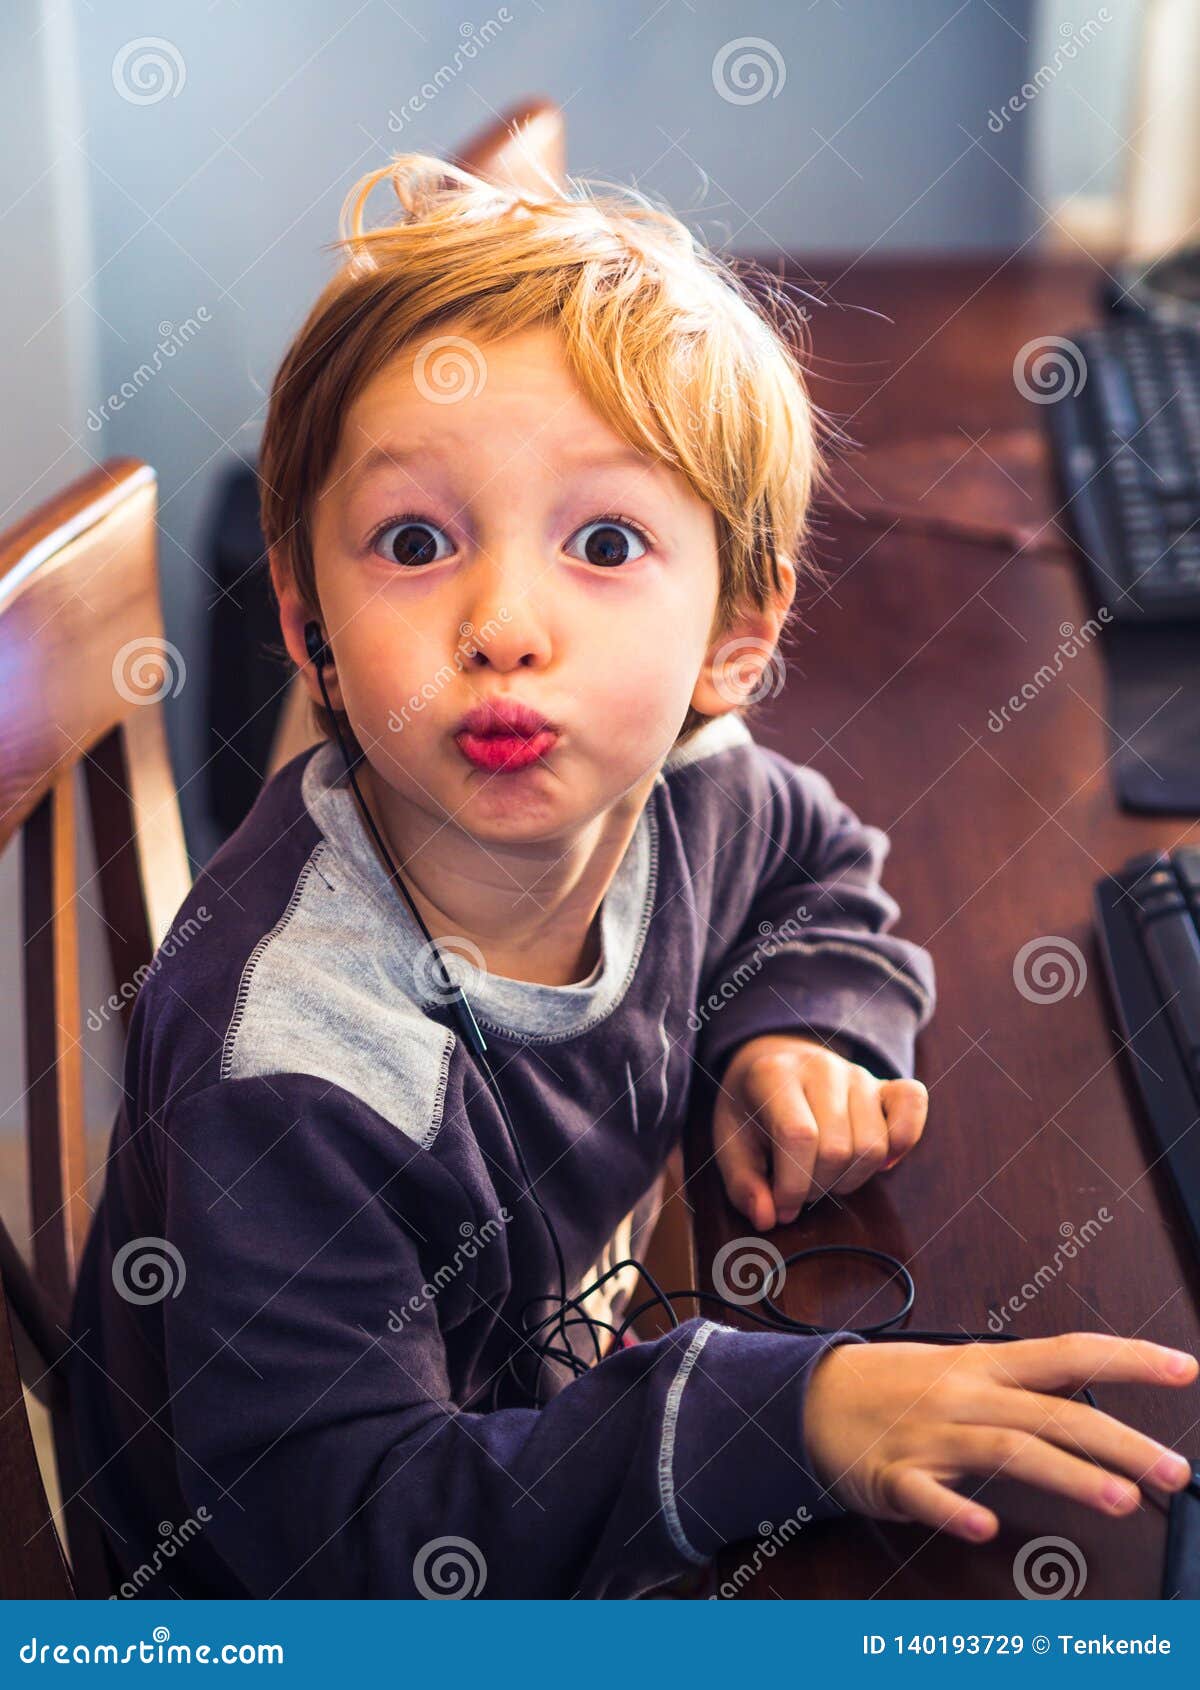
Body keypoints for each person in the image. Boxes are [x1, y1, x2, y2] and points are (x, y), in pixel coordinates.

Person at [67, 153, 1197, 1600]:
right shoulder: (297, 1065)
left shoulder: (679, 788)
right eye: (416, 543)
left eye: (604, 543)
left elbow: (809, 865)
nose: (505, 624)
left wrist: (800, 1028)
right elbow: (357, 1546)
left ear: (738, 629)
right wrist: (775, 1414)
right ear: (308, 626)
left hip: (539, 1415)